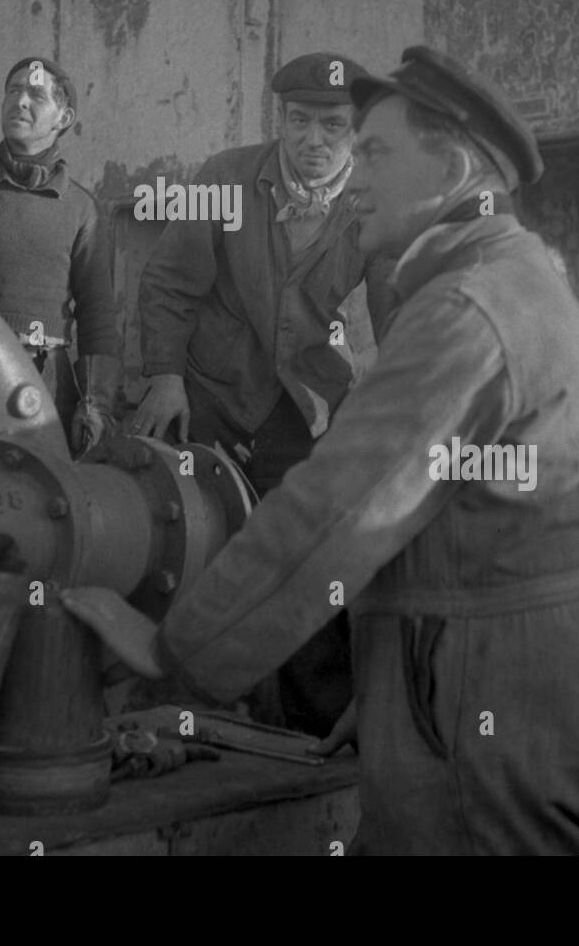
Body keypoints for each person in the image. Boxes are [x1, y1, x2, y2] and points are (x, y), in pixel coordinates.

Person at [68, 47, 579, 854]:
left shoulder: (464, 313)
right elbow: (452, 536)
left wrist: (173, 648)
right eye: (332, 136)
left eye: (371, 150)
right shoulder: (499, 277)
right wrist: (388, 692)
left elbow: (337, 511)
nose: (352, 172)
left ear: (448, 167)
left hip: (499, 707)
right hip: (488, 685)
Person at [133, 52, 391, 737]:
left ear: (357, 128)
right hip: (209, 395)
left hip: (304, 407)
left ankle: (312, 734)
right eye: (299, 120)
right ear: (278, 117)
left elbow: (399, 317)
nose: (313, 140)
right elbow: (168, 285)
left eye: (333, 126)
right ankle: (188, 716)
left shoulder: (375, 199)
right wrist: (163, 375)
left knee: (309, 556)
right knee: (192, 541)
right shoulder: (222, 176)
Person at [0, 57, 121, 458]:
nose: (20, 102)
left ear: (63, 117)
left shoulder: (82, 208)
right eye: (13, 91)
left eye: (36, 94)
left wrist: (96, 404)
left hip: (48, 387)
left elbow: (97, 313)